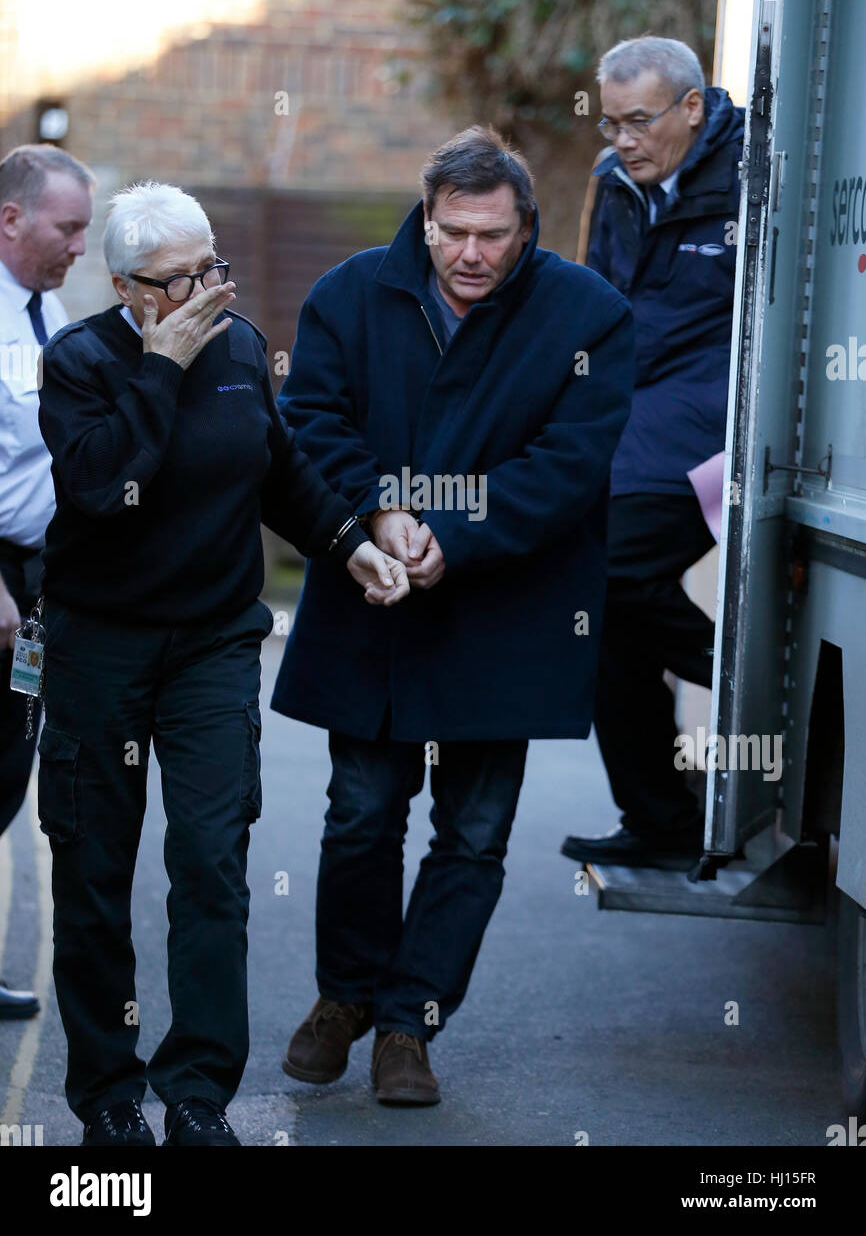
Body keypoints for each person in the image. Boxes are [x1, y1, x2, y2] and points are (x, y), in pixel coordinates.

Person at [36, 182, 409, 1147]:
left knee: (211, 864)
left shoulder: (242, 347)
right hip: (100, 647)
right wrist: (158, 369)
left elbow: (275, 465)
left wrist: (347, 540)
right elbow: (101, 487)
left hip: (211, 642)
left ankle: (197, 1092)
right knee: (93, 873)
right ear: (126, 289)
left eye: (216, 267)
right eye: (182, 280)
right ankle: (109, 1099)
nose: (211, 291)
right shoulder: (77, 364)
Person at [271, 126, 634, 1104]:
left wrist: (450, 531)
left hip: (505, 611)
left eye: (493, 235)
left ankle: (407, 1024)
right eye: (450, 232)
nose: (470, 254)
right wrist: (379, 513)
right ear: (423, 220)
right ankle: (342, 998)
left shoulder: (587, 312)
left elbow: (568, 462)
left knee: (471, 836)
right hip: (372, 598)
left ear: (527, 228)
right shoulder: (349, 292)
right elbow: (310, 421)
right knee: (358, 815)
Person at [560, 36, 745, 871]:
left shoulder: (753, 178)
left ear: (692, 110)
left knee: (606, 572)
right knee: (599, 619)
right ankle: (660, 818)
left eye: (639, 122)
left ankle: (747, 688)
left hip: (715, 425)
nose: (622, 140)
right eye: (611, 124)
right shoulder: (612, 185)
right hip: (631, 416)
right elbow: (600, 303)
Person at [0, 144, 94, 1020]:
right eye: (68, 228)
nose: (79, 245)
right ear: (12, 218)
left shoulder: (44, 307)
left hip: (31, 579)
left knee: (7, 768)